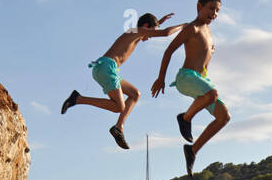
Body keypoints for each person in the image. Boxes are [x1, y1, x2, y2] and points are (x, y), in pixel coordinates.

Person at [62, 12, 184, 149]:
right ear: (145, 26)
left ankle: (118, 128)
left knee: (135, 94)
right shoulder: (136, 31)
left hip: (106, 68)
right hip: (107, 68)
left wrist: (159, 22)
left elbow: (152, 31)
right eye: (152, 33)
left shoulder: (135, 34)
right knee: (119, 107)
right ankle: (78, 99)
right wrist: (184, 26)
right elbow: (166, 33)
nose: (150, 37)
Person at [151, 0, 229, 177]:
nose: (214, 14)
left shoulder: (208, 33)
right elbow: (169, 51)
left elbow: (204, 66)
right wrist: (161, 77)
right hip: (186, 77)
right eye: (211, 9)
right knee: (213, 94)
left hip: (200, 81)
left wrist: (210, 54)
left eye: (217, 11)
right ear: (199, 6)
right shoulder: (191, 28)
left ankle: (192, 151)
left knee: (223, 117)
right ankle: (185, 118)